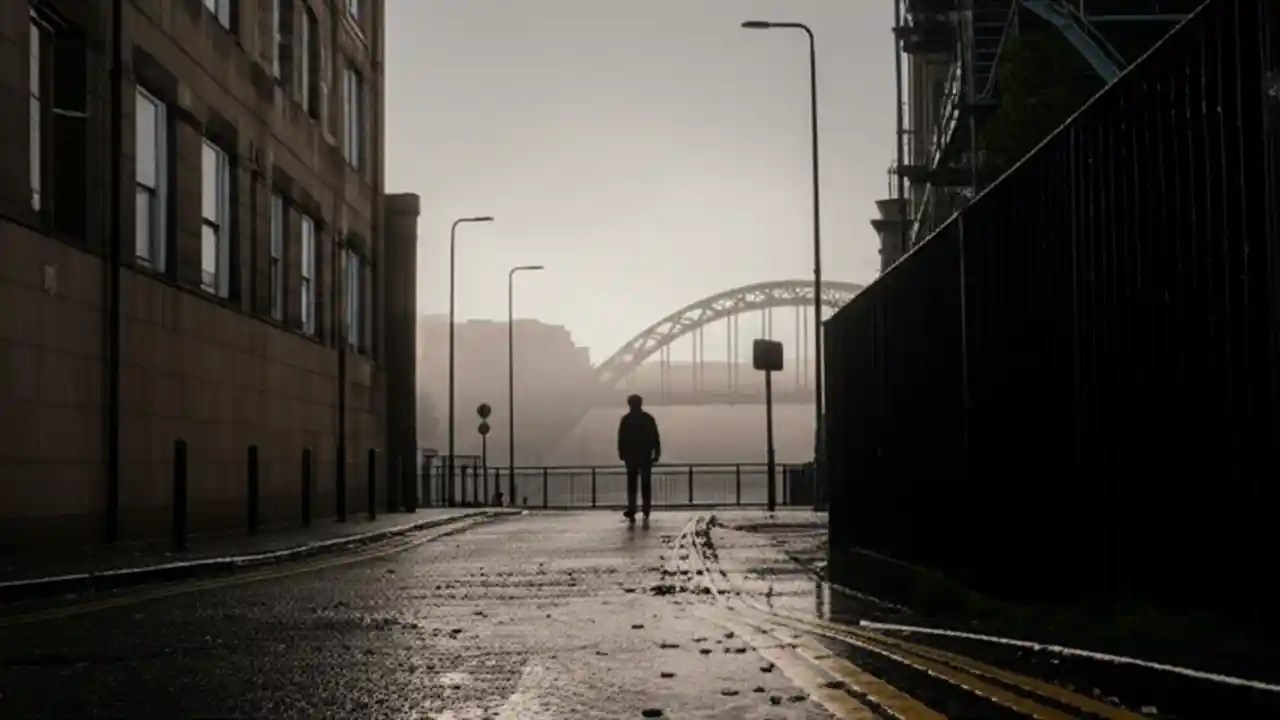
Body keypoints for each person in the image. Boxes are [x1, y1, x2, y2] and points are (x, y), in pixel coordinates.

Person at [617, 394, 661, 523]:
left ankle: (632, 508)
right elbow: (655, 437)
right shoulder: (648, 419)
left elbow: (622, 438)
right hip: (645, 455)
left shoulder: (626, 420)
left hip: (631, 456)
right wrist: (656, 453)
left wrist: (622, 452)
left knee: (632, 484)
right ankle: (646, 509)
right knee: (645, 484)